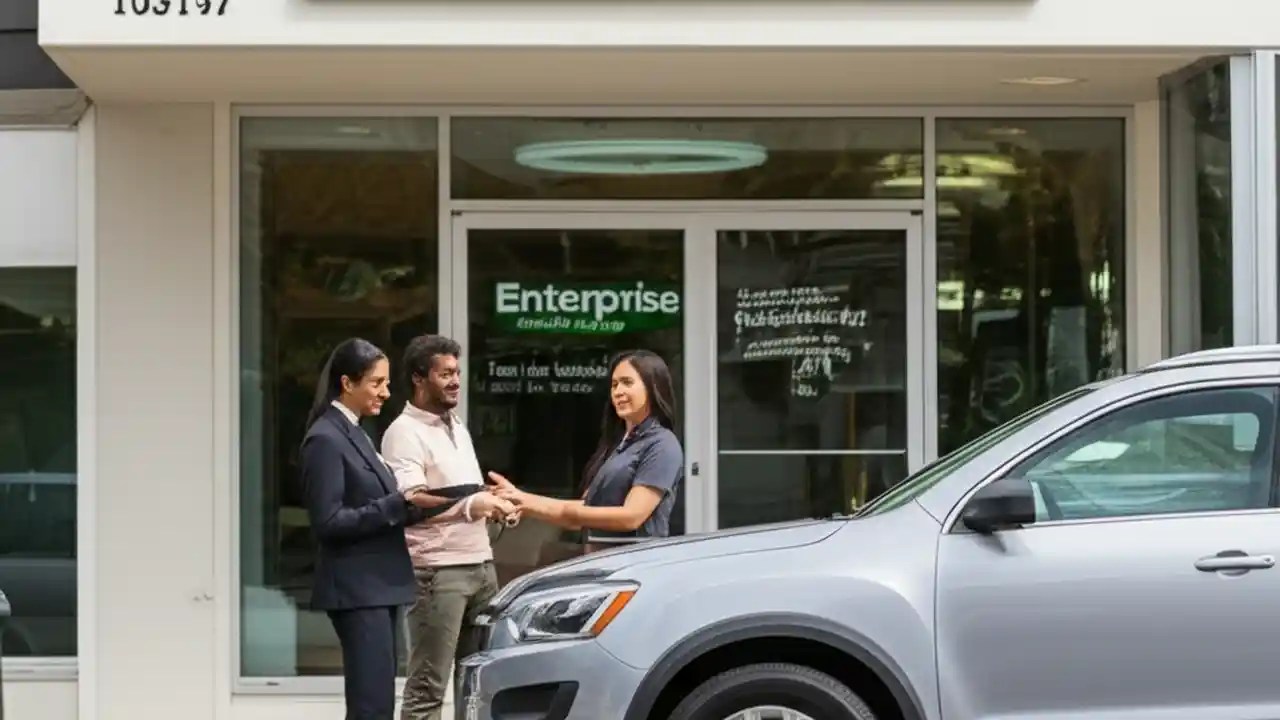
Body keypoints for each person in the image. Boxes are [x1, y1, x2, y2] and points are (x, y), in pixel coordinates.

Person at [299, 337, 465, 720]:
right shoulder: (326, 439)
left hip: (376, 586)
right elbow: (328, 522)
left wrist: (428, 505)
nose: (386, 393)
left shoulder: (355, 432)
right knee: (371, 707)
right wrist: (395, 506)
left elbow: (377, 507)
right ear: (347, 383)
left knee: (377, 703)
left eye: (387, 383)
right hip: (358, 590)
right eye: (377, 383)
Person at [380, 335, 517, 720]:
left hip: (480, 568)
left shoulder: (455, 425)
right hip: (438, 574)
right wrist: (476, 504)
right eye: (445, 374)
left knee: (476, 686)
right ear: (419, 379)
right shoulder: (403, 432)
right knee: (428, 688)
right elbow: (412, 499)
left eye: (457, 372)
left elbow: (461, 493)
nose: (455, 381)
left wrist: (497, 504)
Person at [492, 349, 684, 553]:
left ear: (653, 387)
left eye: (628, 382)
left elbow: (631, 517)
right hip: (600, 563)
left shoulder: (662, 444)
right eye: (614, 384)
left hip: (634, 566)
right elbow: (582, 515)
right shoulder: (617, 445)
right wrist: (524, 503)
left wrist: (528, 501)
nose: (618, 391)